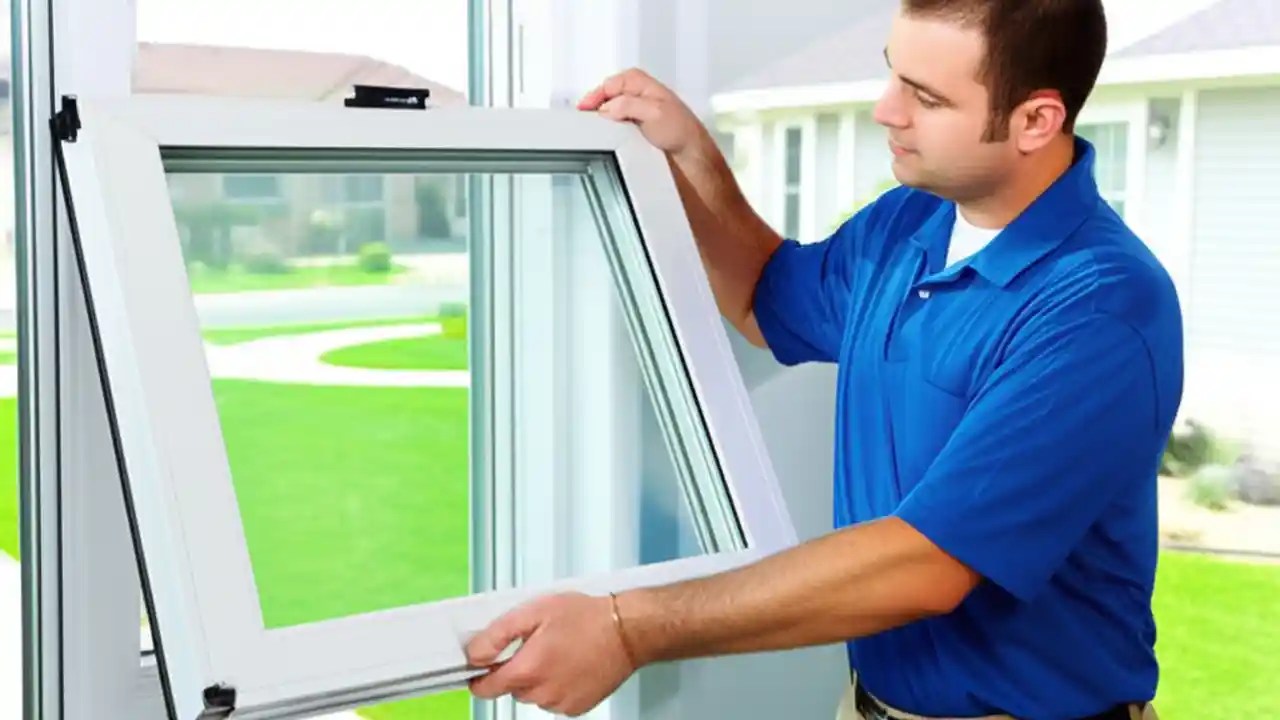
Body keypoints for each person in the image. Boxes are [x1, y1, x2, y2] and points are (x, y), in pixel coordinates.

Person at [465, 0, 1182, 717]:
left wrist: (629, 627)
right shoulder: (909, 223)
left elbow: (928, 564)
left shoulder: (1099, 308)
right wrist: (688, 152)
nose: (885, 111)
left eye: (926, 97)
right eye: (893, 76)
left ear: (1035, 120)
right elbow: (763, 299)